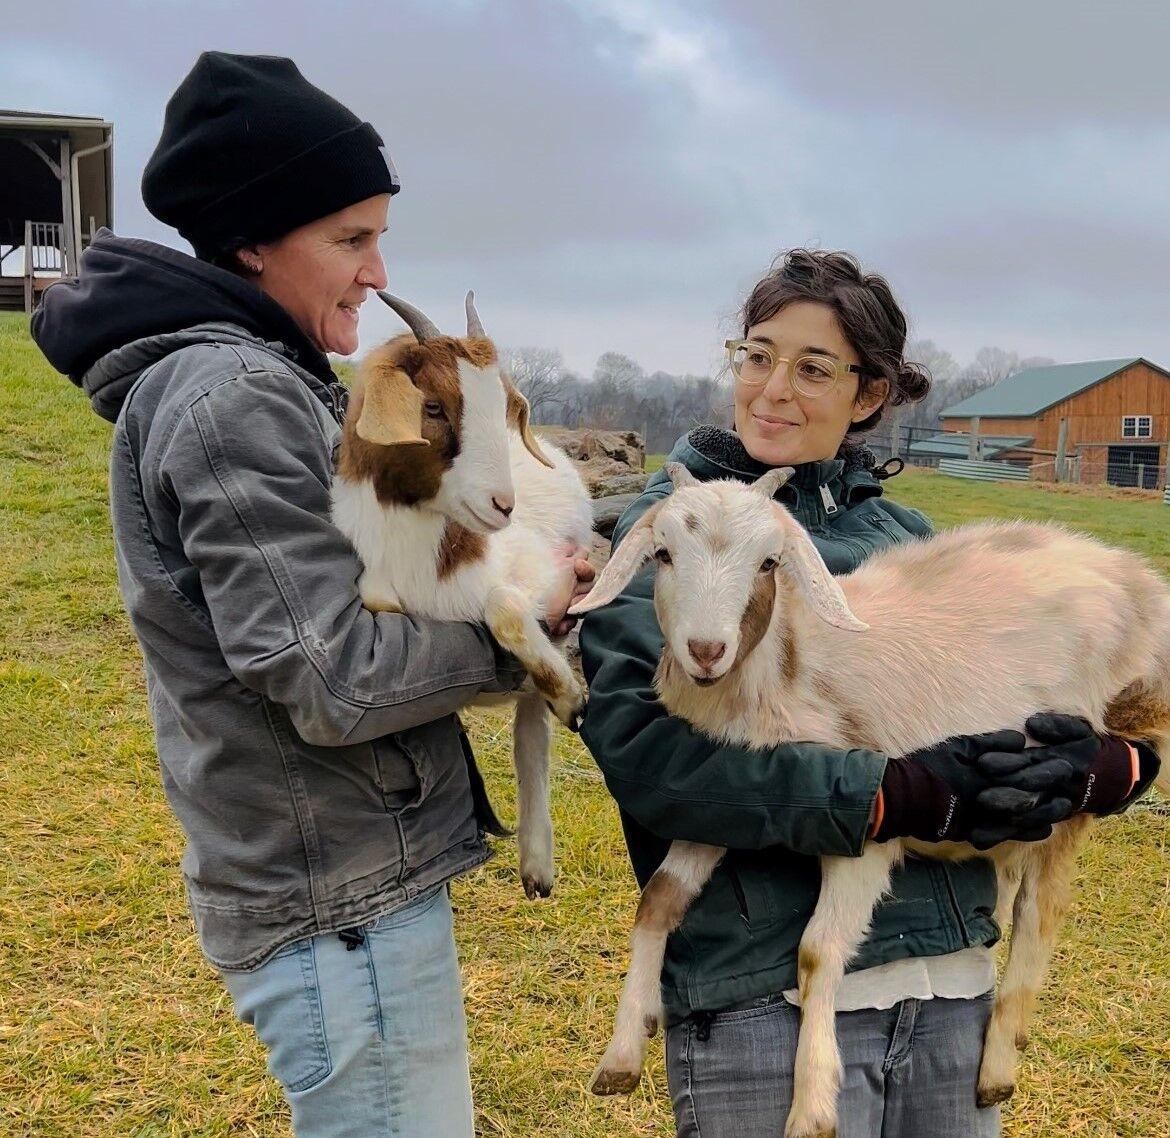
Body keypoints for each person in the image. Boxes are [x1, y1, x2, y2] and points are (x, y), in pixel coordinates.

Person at [32, 51, 589, 1138]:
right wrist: (529, 632)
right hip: (337, 909)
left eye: (380, 234)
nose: (378, 271)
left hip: (338, 892)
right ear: (251, 240)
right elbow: (332, 679)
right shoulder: (232, 395)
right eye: (349, 238)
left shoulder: (249, 379)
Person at [577, 249, 1160, 1138]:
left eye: (814, 368)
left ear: (869, 396)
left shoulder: (909, 537)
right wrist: (891, 795)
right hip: (762, 997)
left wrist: (1111, 765)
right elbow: (652, 764)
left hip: (947, 980)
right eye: (758, 355)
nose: (774, 388)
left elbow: (1010, 720)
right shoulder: (669, 538)